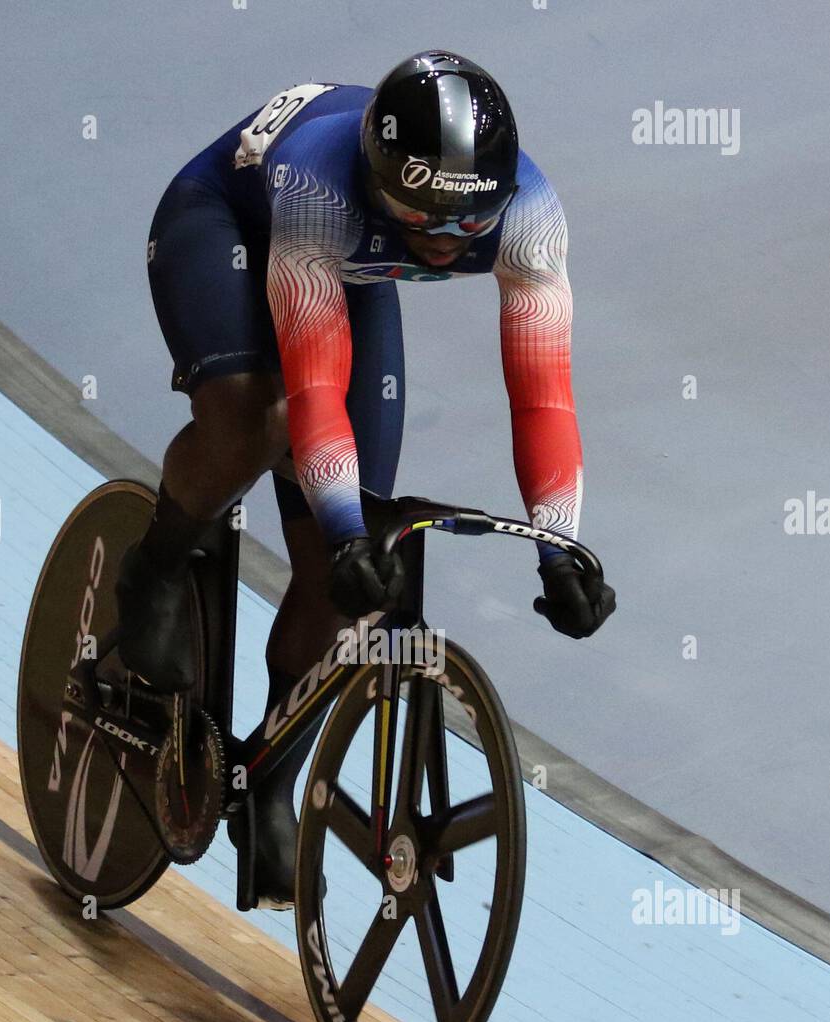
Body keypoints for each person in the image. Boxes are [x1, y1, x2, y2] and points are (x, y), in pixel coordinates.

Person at [122, 50, 614, 907]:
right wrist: (342, 525)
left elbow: (544, 400)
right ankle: (156, 564)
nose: (442, 243)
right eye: (420, 219)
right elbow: (316, 391)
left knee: (353, 566)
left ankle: (270, 780)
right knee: (257, 421)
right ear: (379, 182)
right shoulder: (323, 185)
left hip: (354, 264)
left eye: (463, 227)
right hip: (227, 222)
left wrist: (560, 548)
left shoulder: (531, 214)